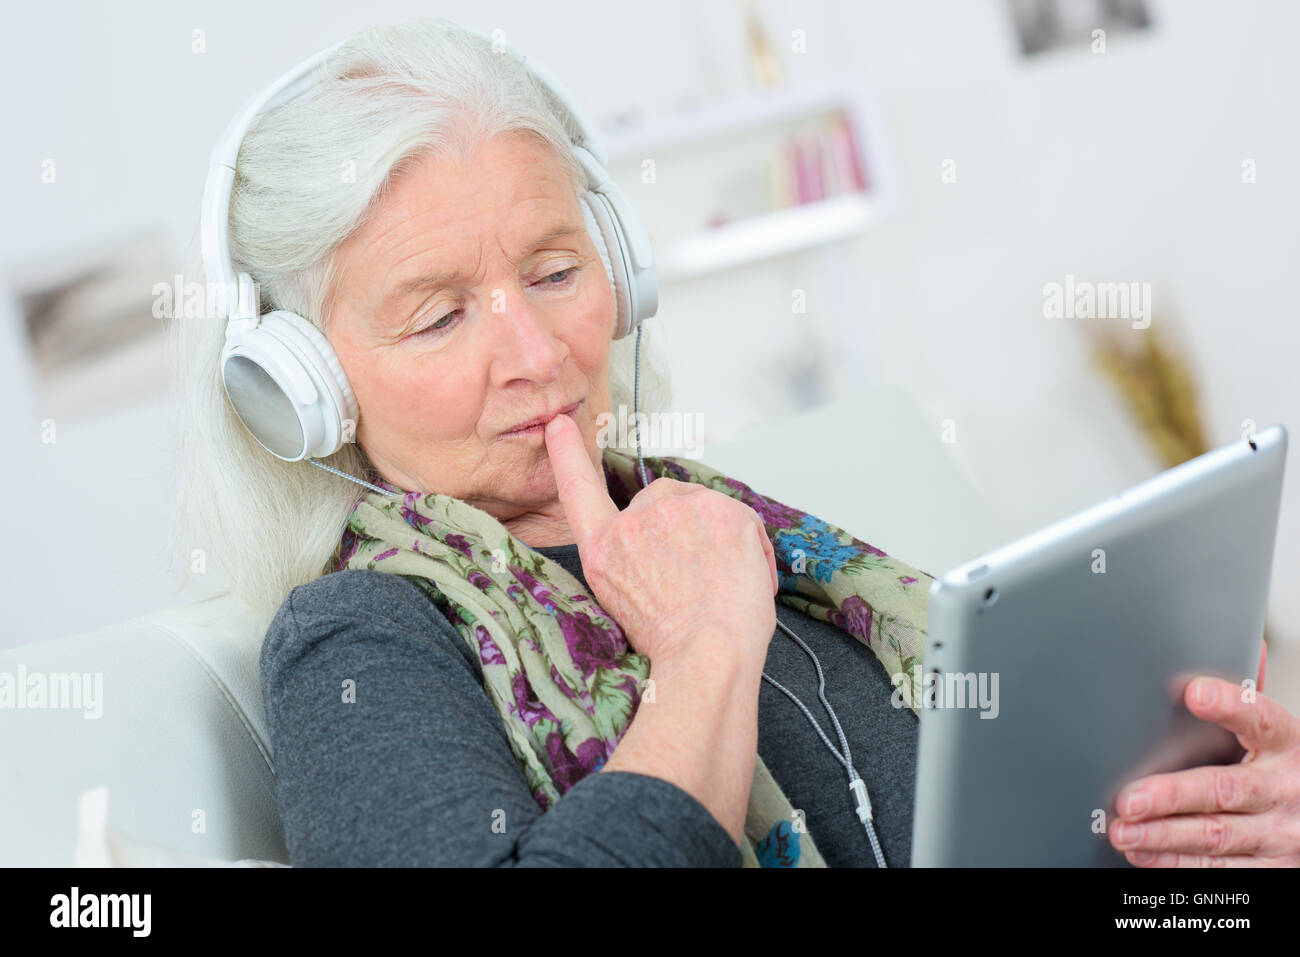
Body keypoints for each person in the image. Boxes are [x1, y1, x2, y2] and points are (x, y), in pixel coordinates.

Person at [170, 17, 1300, 868]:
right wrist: (706, 649)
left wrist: (1233, 836)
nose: (535, 353)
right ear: (302, 389)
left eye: (557, 272)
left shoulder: (758, 539)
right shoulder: (360, 644)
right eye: (439, 315)